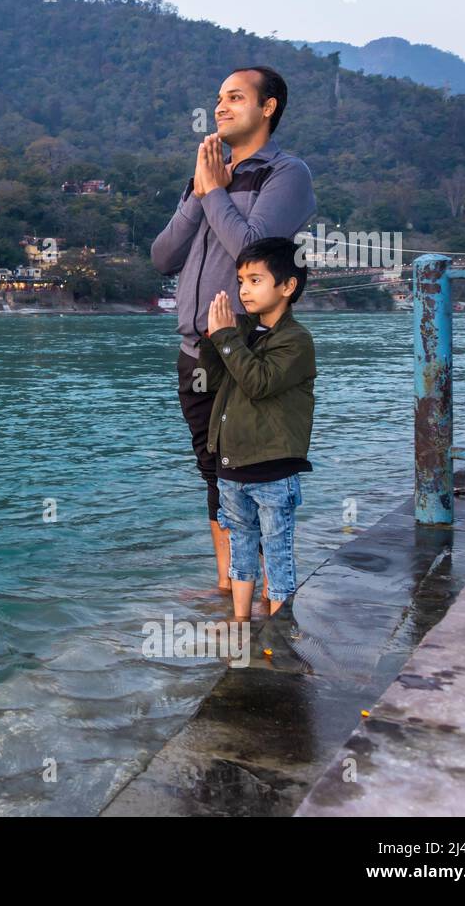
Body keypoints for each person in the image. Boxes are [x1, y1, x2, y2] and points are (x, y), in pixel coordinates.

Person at [151, 66, 316, 593]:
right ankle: (228, 587)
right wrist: (203, 192)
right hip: (194, 350)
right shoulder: (207, 174)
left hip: (243, 346)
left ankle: (274, 594)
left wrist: (216, 193)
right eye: (219, 97)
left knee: (256, 471)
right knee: (212, 467)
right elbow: (162, 256)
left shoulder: (286, 174)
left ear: (268, 108)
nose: (220, 106)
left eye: (236, 97)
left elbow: (252, 245)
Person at [201, 237, 317, 618]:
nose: (244, 290)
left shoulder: (296, 341)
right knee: (241, 548)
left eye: (255, 280)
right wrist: (213, 338)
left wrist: (226, 338)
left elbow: (259, 383)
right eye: (241, 281)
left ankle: (281, 630)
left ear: (287, 286)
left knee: (277, 550)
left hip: (273, 469)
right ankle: (239, 620)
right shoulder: (243, 332)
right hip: (233, 465)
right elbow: (214, 379)